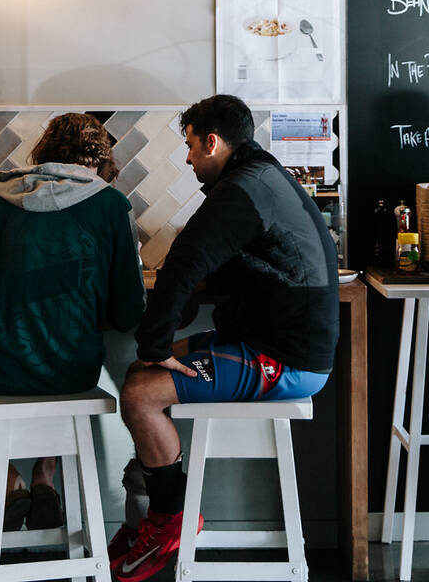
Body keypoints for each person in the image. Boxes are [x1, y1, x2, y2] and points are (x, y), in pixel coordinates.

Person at [110, 94, 338, 582]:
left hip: (287, 359)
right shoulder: (260, 178)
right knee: (140, 375)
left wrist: (154, 342)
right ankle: (168, 507)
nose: (189, 158)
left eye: (190, 147)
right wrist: (157, 345)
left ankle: (170, 519)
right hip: (270, 342)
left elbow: (185, 260)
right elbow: (210, 264)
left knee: (139, 392)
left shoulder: (244, 188)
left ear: (212, 142)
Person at [0, 112, 146, 532]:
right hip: (74, 371)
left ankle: (9, 477)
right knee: (63, 360)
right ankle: (44, 476)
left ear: (43, 152)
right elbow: (129, 312)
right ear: (102, 160)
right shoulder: (110, 204)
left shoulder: (0, 200)